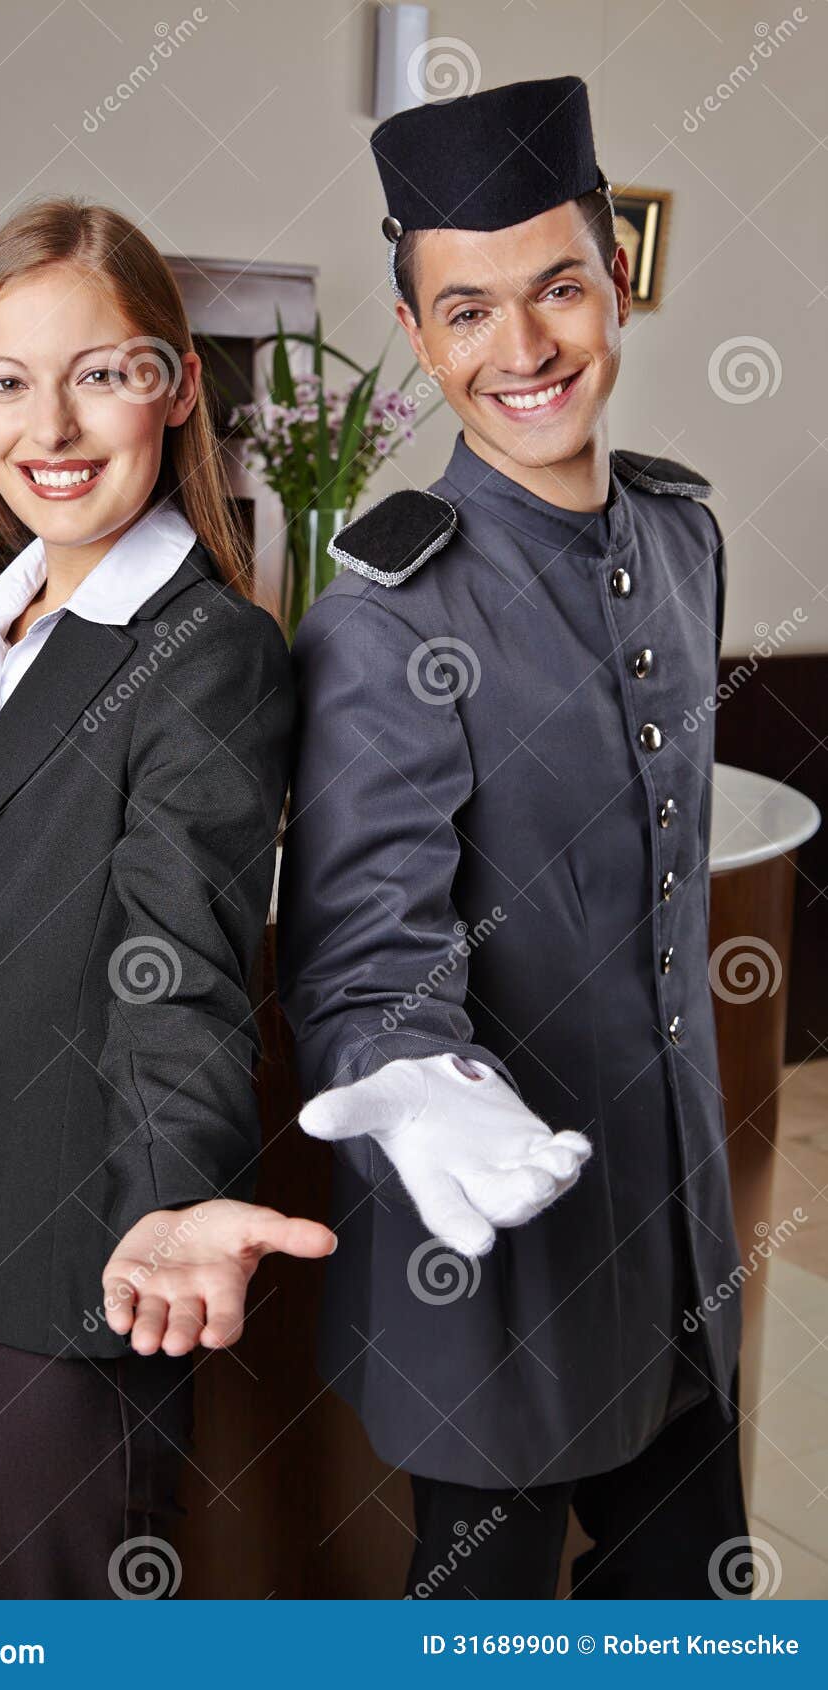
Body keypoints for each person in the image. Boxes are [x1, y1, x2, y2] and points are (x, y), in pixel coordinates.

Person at [278, 77, 750, 1599]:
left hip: (672, 1232)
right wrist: (415, 1076)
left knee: (685, 1605)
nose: (524, 348)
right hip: (493, 1272)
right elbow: (367, 949)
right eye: (465, 311)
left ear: (618, 279)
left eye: (557, 286)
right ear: (421, 340)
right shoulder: (385, 609)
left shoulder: (681, 534)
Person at [0, 195, 335, 1599]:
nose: (46, 427)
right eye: (7, 381)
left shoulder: (204, 653)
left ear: (171, 390)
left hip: (56, 1292)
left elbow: (176, 953)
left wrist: (176, 1193)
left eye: (96, 373)